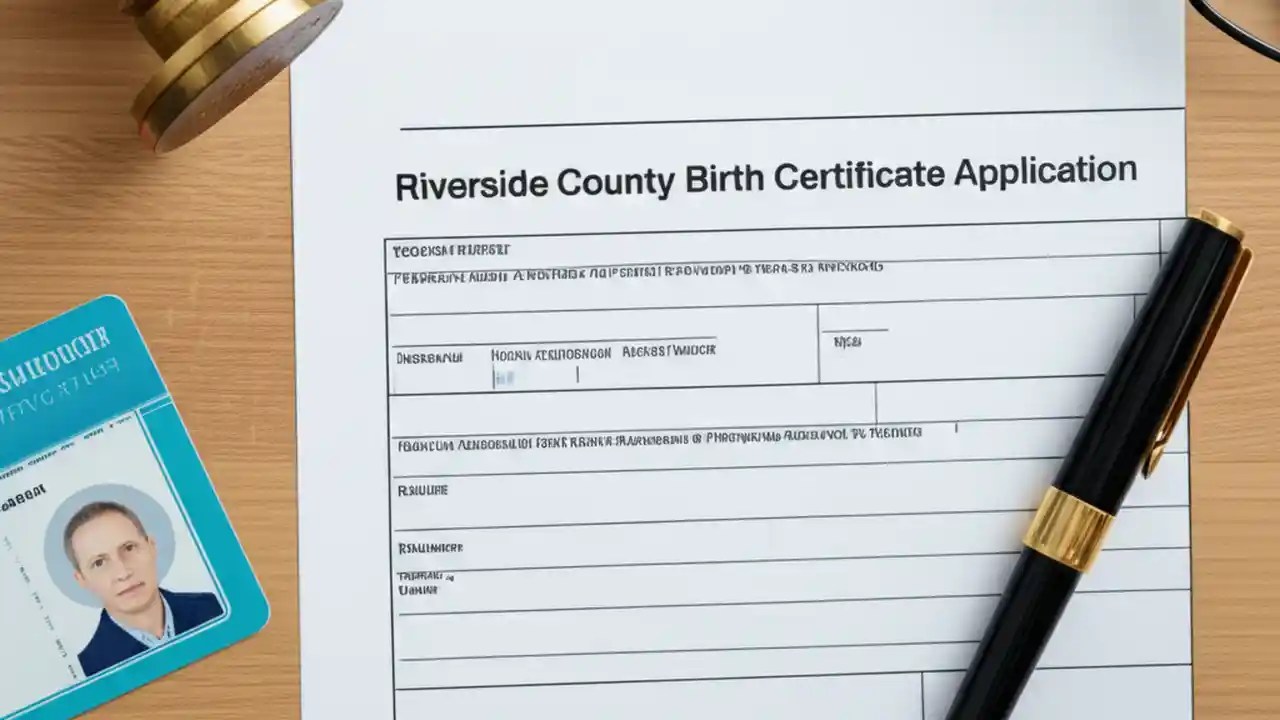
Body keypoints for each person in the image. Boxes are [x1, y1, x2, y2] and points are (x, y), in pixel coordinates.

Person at [63, 500, 223, 677]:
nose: (123, 573)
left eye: (129, 548)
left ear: (151, 547)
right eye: (99, 562)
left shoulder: (214, 608)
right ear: (82, 580)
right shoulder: (89, 670)